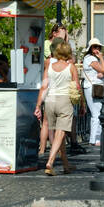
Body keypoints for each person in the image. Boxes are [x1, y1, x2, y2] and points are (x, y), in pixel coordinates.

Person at [34, 38, 80, 175]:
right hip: (64, 101)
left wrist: (38, 105)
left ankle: (66, 165)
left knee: (59, 135)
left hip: (50, 102)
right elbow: (77, 87)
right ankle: (51, 161)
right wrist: (81, 103)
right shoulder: (71, 67)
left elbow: (43, 87)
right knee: (61, 133)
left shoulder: (49, 67)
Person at [81, 41, 104, 147]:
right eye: (95, 47)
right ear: (90, 48)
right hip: (93, 87)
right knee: (97, 113)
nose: (97, 49)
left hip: (91, 87)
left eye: (98, 47)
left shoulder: (90, 59)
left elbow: (102, 71)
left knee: (96, 113)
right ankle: (95, 139)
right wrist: (102, 58)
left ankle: (94, 138)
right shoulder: (91, 58)